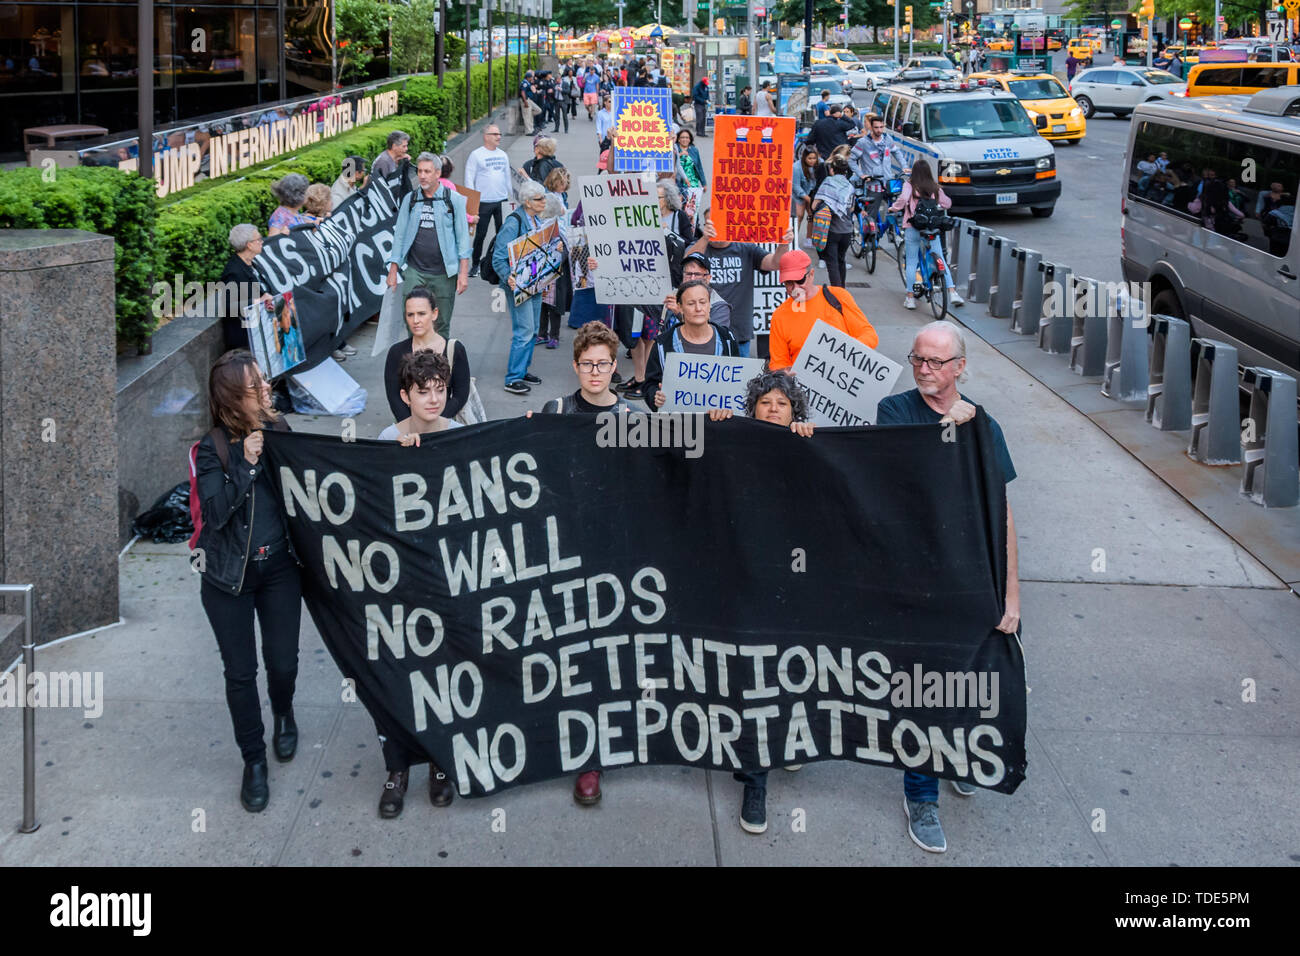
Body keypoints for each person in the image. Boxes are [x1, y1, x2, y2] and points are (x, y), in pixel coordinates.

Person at [876, 320, 1018, 854]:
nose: (924, 370)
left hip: (970, 578)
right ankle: (921, 795)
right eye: (917, 360)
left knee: (966, 678)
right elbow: (902, 478)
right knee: (920, 686)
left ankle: (954, 754)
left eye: (936, 362)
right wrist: (947, 435)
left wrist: (1012, 594)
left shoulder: (985, 426)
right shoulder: (896, 412)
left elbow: (1002, 514)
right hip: (912, 577)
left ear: (961, 367)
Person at [195, 350, 303, 814]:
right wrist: (245, 461)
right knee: (240, 674)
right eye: (254, 386)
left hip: (279, 569)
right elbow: (216, 516)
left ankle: (284, 711)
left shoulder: (280, 430)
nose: (265, 389)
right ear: (231, 399)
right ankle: (253, 760)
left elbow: (309, 490)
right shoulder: (211, 449)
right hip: (226, 579)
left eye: (263, 381)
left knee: (282, 662)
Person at [373, 350, 459, 818]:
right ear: (405, 395)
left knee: (443, 672)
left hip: (447, 578)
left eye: (439, 390)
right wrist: (394, 463)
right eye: (423, 392)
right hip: (400, 582)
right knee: (397, 672)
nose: (432, 399)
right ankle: (399, 764)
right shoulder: (389, 437)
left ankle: (441, 761)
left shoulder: (460, 435)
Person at [386, 152, 471, 338]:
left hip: (444, 274)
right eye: (420, 171)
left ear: (437, 173)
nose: (422, 176)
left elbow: (463, 240)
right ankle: (415, 363)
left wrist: (463, 274)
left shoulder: (454, 199)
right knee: (412, 322)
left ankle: (439, 364)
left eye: (427, 171)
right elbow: (399, 235)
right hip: (415, 271)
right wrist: (393, 269)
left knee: (441, 325)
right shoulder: (411, 199)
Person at [686, 218, 794, 357]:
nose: (716, 229)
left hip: (739, 333)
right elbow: (687, 263)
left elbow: (774, 263)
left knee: (741, 378)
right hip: (702, 332)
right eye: (710, 224)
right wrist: (705, 238)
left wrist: (784, 244)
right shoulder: (700, 246)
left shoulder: (745, 248)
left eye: (719, 223)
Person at [768, 249, 878, 371]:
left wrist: (844, 354)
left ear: (811, 274)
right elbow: (778, 363)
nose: (795, 288)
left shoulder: (838, 296)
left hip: (844, 378)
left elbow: (869, 335)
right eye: (789, 283)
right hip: (802, 386)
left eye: (800, 281)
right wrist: (785, 374)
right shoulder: (780, 316)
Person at [644, 279, 742, 410]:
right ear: (680, 307)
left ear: (710, 305)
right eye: (691, 303)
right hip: (679, 424)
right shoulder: (662, 344)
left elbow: (737, 383)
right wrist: (655, 397)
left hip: (719, 424)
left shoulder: (727, 339)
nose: (698, 308)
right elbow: (650, 385)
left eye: (703, 302)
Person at [383, 287, 471, 422]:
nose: (415, 320)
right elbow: (394, 396)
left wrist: (435, 423)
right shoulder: (396, 352)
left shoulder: (455, 349)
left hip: (444, 428)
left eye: (421, 313)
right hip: (410, 430)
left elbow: (460, 395)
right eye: (410, 314)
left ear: (434, 313)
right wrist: (412, 426)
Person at [494, 180, 549, 395]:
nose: (544, 202)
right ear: (527, 202)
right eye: (539, 199)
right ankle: (513, 377)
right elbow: (499, 258)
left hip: (533, 282)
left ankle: (523, 370)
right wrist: (509, 277)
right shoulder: (513, 223)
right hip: (518, 284)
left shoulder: (535, 219)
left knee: (533, 329)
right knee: (524, 331)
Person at [890, 158, 964, 310]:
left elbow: (903, 199)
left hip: (913, 226)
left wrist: (894, 208)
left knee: (911, 262)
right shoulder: (934, 187)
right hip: (931, 229)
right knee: (940, 258)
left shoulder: (909, 184)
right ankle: (952, 292)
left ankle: (910, 298)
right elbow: (947, 203)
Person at [538, 321, 637, 416]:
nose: (595, 372)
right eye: (587, 364)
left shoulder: (634, 416)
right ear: (576, 366)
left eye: (602, 363)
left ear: (613, 366)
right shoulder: (555, 410)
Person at [218, 224, 272, 351]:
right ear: (249, 245)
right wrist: (258, 301)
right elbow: (228, 307)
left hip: (259, 331)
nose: (261, 242)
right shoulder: (233, 271)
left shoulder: (250, 263)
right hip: (246, 341)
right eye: (258, 239)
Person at [465, 125, 511, 278]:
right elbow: (469, 179)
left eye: (499, 133)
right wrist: (471, 203)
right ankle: (476, 264)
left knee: (502, 234)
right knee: (481, 235)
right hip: (483, 202)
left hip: (501, 200)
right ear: (486, 136)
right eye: (495, 134)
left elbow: (507, 178)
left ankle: (500, 264)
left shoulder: (503, 155)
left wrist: (511, 197)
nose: (499, 136)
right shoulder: (476, 155)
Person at [812, 148, 857, 287]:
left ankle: (837, 294)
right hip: (847, 231)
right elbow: (851, 208)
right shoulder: (850, 186)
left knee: (832, 263)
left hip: (831, 231)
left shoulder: (828, 182)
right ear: (845, 171)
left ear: (832, 170)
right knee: (841, 260)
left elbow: (814, 205)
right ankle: (842, 291)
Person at [793, 149, 822, 247]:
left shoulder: (820, 164)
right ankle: (793, 240)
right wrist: (808, 199)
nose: (812, 161)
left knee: (811, 216)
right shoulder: (796, 167)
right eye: (809, 158)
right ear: (804, 157)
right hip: (799, 194)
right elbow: (796, 186)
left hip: (813, 192)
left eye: (814, 158)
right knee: (799, 216)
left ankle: (809, 239)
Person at [674, 129, 707, 210]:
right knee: (680, 205)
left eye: (687, 138)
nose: (685, 139)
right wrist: (680, 154)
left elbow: (699, 167)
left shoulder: (694, 150)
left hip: (692, 182)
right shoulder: (674, 149)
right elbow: (672, 163)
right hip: (678, 182)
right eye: (682, 137)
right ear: (678, 139)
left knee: (692, 206)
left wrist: (704, 183)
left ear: (690, 139)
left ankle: (695, 222)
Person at [519, 70, 542, 135]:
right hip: (525, 100)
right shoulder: (525, 83)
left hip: (529, 99)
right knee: (527, 116)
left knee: (538, 110)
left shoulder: (528, 82)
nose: (532, 78)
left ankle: (531, 129)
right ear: (528, 77)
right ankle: (529, 131)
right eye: (531, 77)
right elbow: (522, 92)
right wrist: (525, 101)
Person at [595, 92, 616, 160]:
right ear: (605, 103)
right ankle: (601, 170)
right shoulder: (600, 113)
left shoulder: (615, 112)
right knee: (603, 157)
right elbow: (598, 127)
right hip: (605, 138)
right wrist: (600, 139)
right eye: (609, 101)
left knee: (613, 157)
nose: (611, 103)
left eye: (612, 101)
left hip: (614, 137)